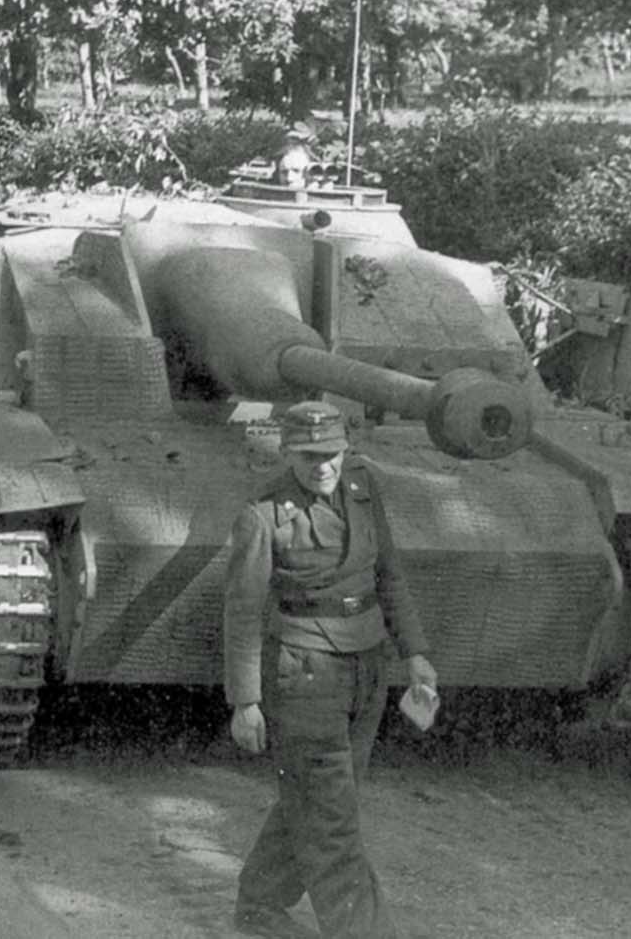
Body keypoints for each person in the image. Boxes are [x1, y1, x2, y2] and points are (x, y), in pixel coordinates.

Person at [224, 400, 437, 939]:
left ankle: (259, 904)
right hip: (305, 673)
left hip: (367, 663)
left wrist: (415, 653)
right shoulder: (263, 514)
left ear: (346, 450)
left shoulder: (363, 488)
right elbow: (243, 612)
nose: (323, 466)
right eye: (309, 456)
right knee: (331, 818)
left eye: (332, 454)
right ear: (288, 453)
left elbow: (388, 573)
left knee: (319, 799)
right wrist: (245, 701)